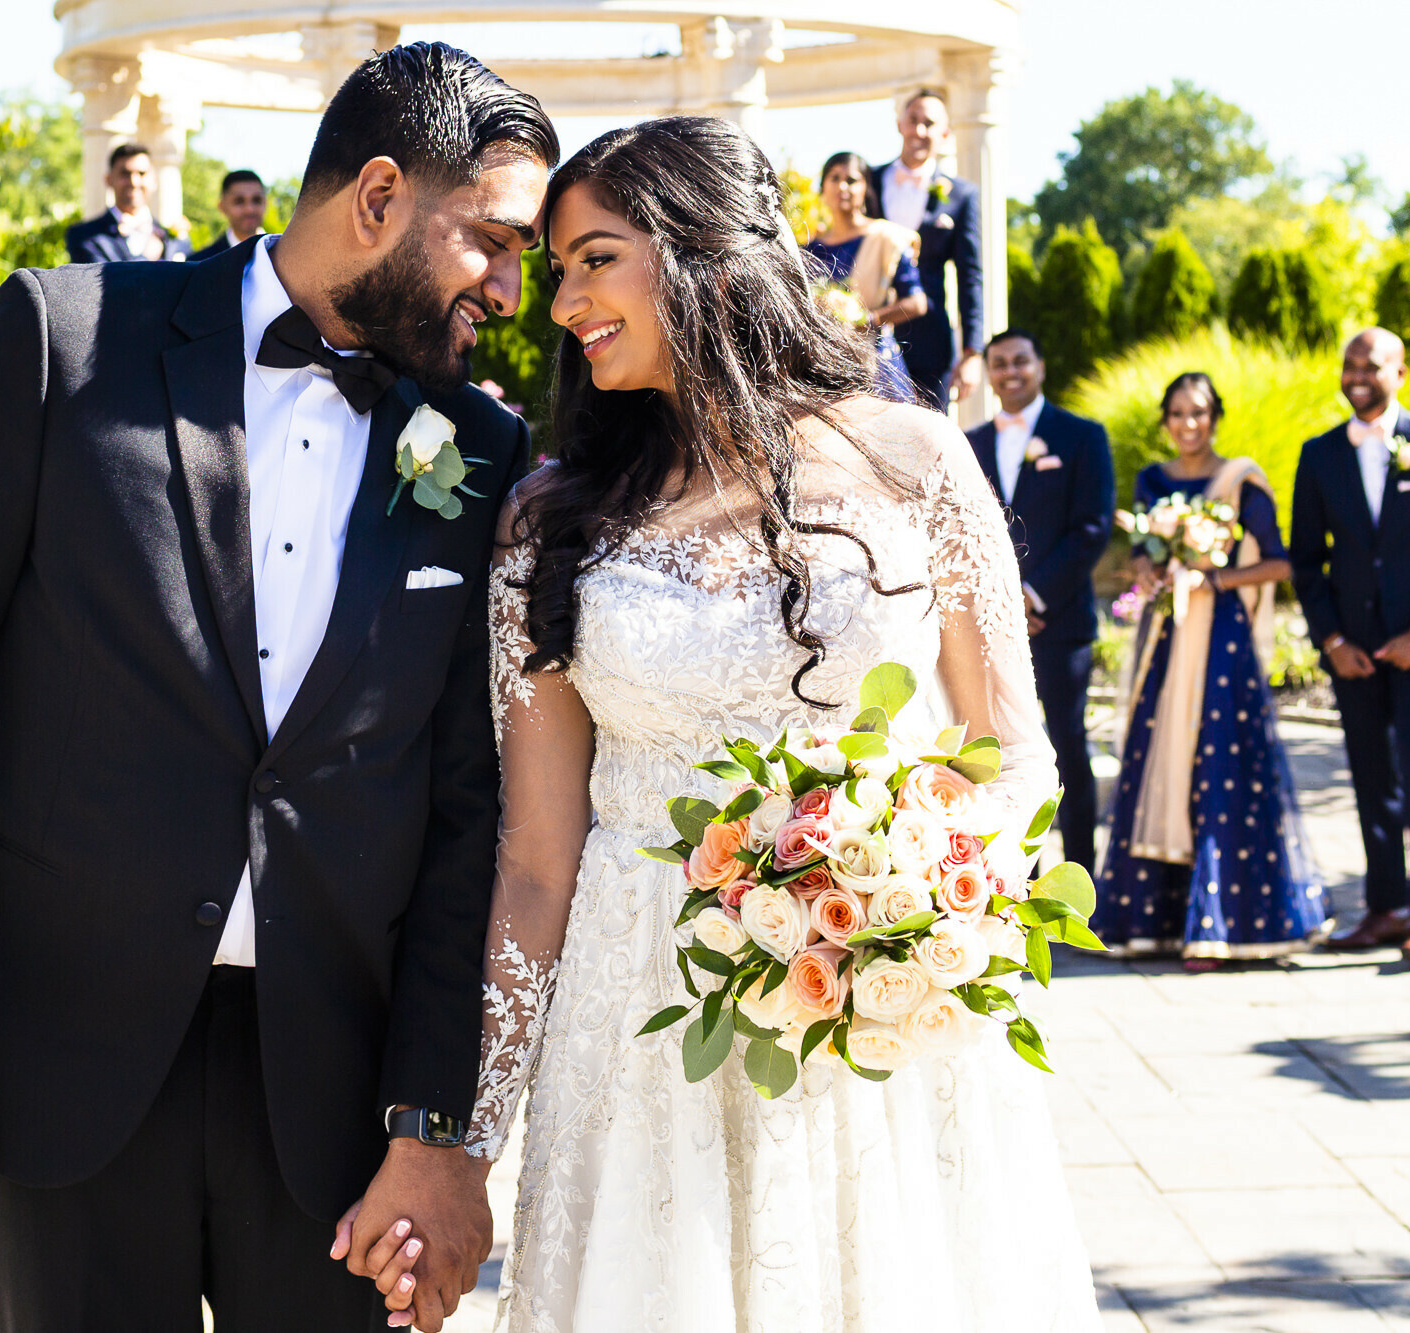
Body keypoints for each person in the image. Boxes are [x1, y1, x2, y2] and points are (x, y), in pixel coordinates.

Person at [0, 43, 557, 1333]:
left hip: (338, 1108)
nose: (512, 291)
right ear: (378, 198)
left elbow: (465, 813)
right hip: (58, 1077)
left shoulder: (484, 450)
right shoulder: (62, 343)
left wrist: (436, 1127)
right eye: (493, 244)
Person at [409, 116, 1097, 1332]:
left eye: (592, 260)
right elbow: (531, 857)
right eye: (558, 267)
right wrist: (468, 1134)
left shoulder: (916, 461)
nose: (560, 300)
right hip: (639, 1030)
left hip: (871, 1031)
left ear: (706, 254)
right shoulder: (548, 517)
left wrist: (917, 910)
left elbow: (1014, 753)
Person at [1095, 374, 1329, 967]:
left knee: (1221, 763)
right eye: (1176, 413)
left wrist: (1214, 578)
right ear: (1165, 421)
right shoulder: (1153, 481)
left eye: (1198, 412)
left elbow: (1278, 564)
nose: (1187, 423)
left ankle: (1226, 924)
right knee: (1159, 761)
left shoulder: (1241, 481)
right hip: (1169, 639)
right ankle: (1152, 922)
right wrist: (1152, 572)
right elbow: (1144, 557)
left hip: (1222, 641)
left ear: (1216, 416)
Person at [1292, 329, 1410, 966]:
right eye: (1349, 365)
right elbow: (1306, 560)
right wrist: (1333, 640)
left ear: (1399, 373)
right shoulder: (1319, 455)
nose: (1356, 376)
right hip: (1353, 650)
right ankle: (1385, 907)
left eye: (1370, 366)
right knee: (1371, 775)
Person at [962, 330, 1114, 871]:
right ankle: (1011, 876)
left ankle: (1080, 879)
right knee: (996, 752)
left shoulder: (1081, 437)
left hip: (1061, 620)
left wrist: (1031, 595)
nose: (1010, 373)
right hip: (985, 628)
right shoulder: (967, 442)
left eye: (1020, 361)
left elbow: (1091, 528)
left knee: (1069, 746)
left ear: (1041, 366)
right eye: (999, 364)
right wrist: (996, 604)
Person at [870, 89, 983, 414]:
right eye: (913, 120)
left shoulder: (961, 195)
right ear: (899, 124)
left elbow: (970, 276)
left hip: (929, 342)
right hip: (869, 335)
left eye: (929, 124)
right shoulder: (869, 182)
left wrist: (973, 352)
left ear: (944, 133)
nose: (919, 130)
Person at [802, 151, 925, 403]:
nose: (842, 187)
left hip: (875, 363)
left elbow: (916, 303)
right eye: (834, 178)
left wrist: (868, 320)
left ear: (866, 188)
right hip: (823, 366)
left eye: (852, 180)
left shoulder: (886, 238)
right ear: (823, 187)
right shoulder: (808, 249)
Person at [64, 143, 192, 264]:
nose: (134, 182)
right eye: (125, 174)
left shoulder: (174, 238)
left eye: (142, 173)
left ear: (154, 180)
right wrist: (146, 258)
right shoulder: (84, 236)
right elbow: (103, 285)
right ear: (108, 180)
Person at [194, 169, 269, 260]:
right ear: (222, 207)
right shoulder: (201, 262)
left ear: (265, 203)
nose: (249, 209)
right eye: (239, 201)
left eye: (256, 200)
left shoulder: (281, 253)